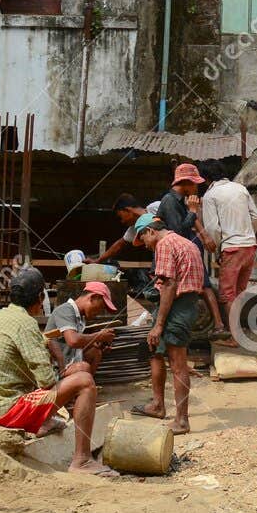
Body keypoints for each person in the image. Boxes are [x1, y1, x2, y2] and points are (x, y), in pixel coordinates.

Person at [0, 266, 117, 477]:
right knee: (84, 379)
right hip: (5, 411)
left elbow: (44, 339)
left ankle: (44, 422)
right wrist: (67, 371)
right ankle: (82, 460)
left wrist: (55, 353)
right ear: (40, 297)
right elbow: (46, 381)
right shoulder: (27, 323)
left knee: (76, 372)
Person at [129, 211, 205, 435]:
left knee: (177, 362)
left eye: (143, 239)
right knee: (155, 351)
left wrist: (159, 324)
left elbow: (170, 284)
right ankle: (158, 405)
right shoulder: (185, 242)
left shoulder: (164, 244)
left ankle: (182, 420)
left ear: (150, 231)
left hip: (178, 305)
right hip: (183, 303)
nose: (145, 245)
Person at [156, 163, 225, 333]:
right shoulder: (170, 201)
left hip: (185, 252)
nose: (196, 188)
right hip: (176, 256)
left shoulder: (180, 201)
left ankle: (216, 325)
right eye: (194, 184)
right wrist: (193, 211)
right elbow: (178, 231)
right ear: (185, 183)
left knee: (202, 285)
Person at [199, 162, 257, 322]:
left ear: (205, 179)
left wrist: (218, 248)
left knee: (227, 295)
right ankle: (237, 332)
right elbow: (256, 216)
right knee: (239, 294)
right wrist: (247, 234)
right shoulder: (241, 188)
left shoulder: (210, 195)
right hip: (250, 247)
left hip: (232, 248)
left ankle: (234, 337)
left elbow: (213, 228)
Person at [46, 280, 118, 380]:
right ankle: (82, 389)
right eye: (100, 307)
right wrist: (98, 336)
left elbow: (76, 345)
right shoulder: (65, 310)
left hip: (68, 362)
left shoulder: (80, 317)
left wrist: (97, 343)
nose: (99, 312)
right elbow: (73, 341)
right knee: (83, 367)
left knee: (95, 352)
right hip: (56, 369)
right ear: (93, 298)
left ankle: (83, 388)